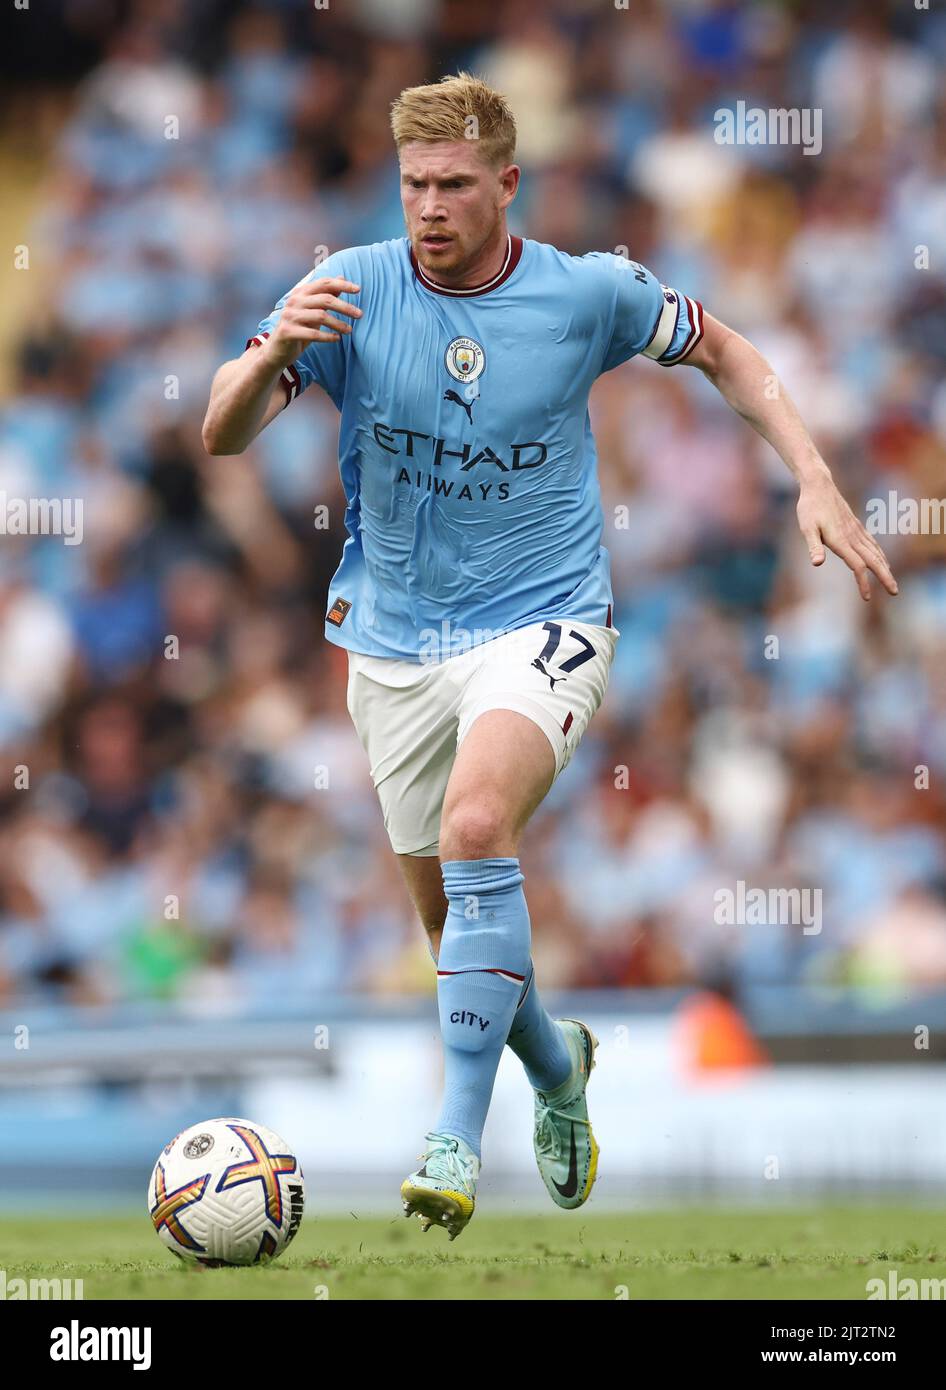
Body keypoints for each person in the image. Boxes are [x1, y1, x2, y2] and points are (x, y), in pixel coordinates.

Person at [202, 72, 897, 1239]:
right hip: (392, 645)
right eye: (414, 184)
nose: (429, 206)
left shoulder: (587, 295)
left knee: (480, 831)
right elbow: (219, 434)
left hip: (546, 620)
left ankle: (455, 1140)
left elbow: (727, 352)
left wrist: (815, 476)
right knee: (454, 935)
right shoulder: (347, 293)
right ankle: (556, 1063)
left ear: (506, 185)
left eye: (455, 186)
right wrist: (272, 344)